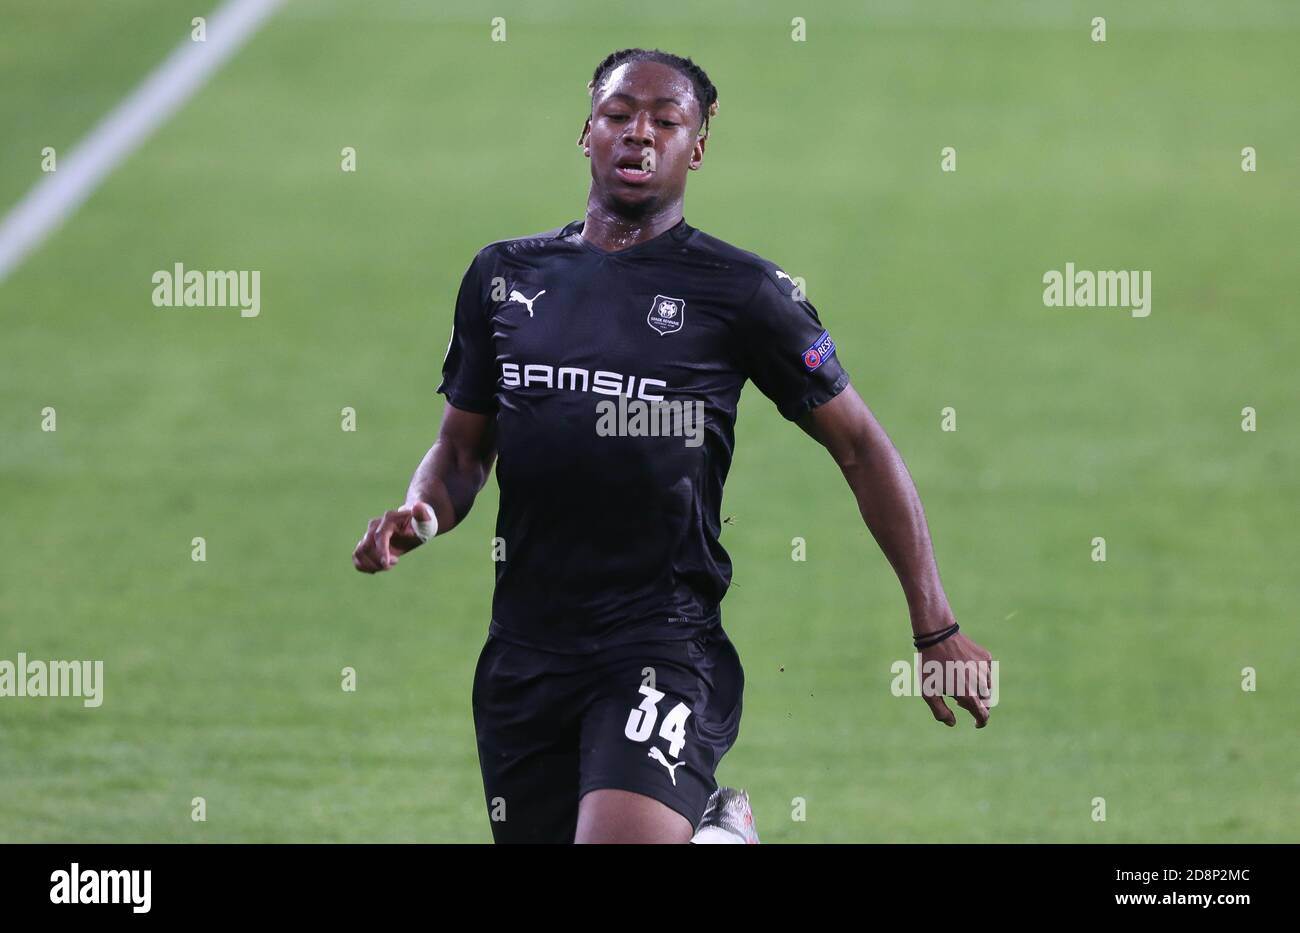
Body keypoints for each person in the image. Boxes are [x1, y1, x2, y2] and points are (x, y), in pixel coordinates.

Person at [353, 48, 993, 844]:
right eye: (619, 116)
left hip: (660, 641)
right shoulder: (503, 276)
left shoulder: (743, 294)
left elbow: (861, 444)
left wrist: (934, 628)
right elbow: (460, 451)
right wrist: (419, 513)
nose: (639, 135)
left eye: (666, 120)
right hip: (524, 652)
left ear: (697, 147)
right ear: (585, 131)